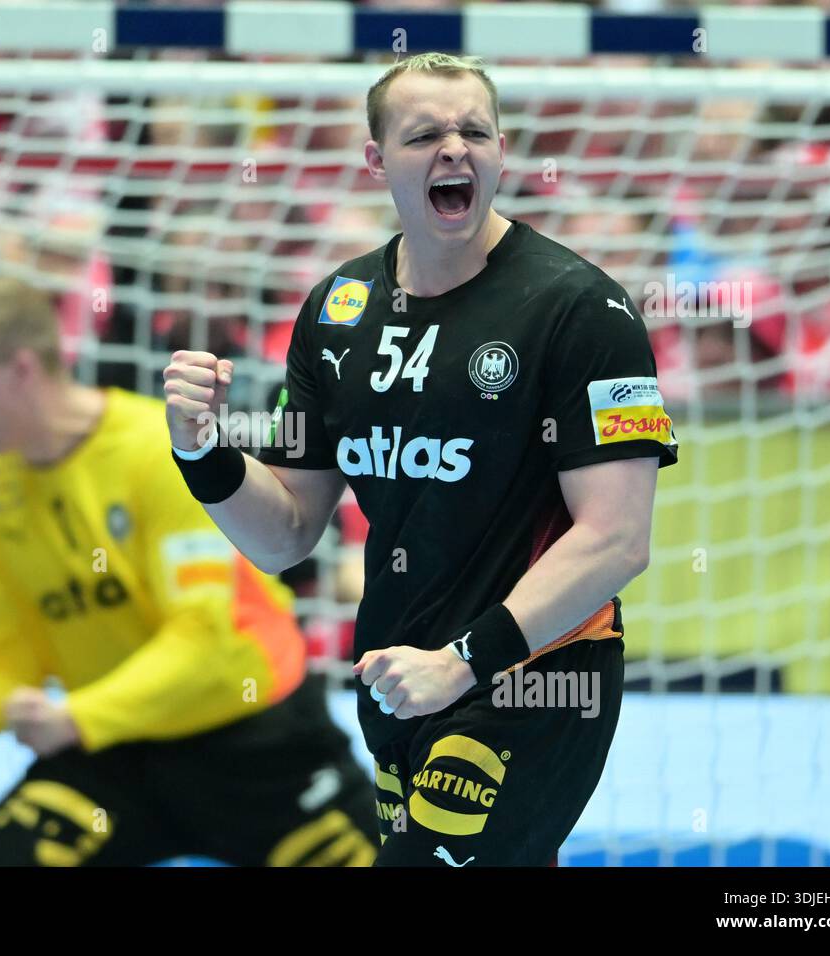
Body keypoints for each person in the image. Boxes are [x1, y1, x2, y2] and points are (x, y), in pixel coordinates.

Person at [165, 53, 678, 867]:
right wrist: (202, 452)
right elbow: (286, 534)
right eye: (425, 134)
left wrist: (462, 663)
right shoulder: (337, 311)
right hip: (398, 674)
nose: (454, 148)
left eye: (474, 130)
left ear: (502, 152)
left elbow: (618, 540)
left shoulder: (585, 309)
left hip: (533, 674)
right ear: (377, 162)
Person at [0, 276, 376, 867]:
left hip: (258, 746)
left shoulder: (158, 449)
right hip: (116, 756)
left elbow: (205, 640)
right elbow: (7, 662)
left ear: (22, 369)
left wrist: (77, 715)